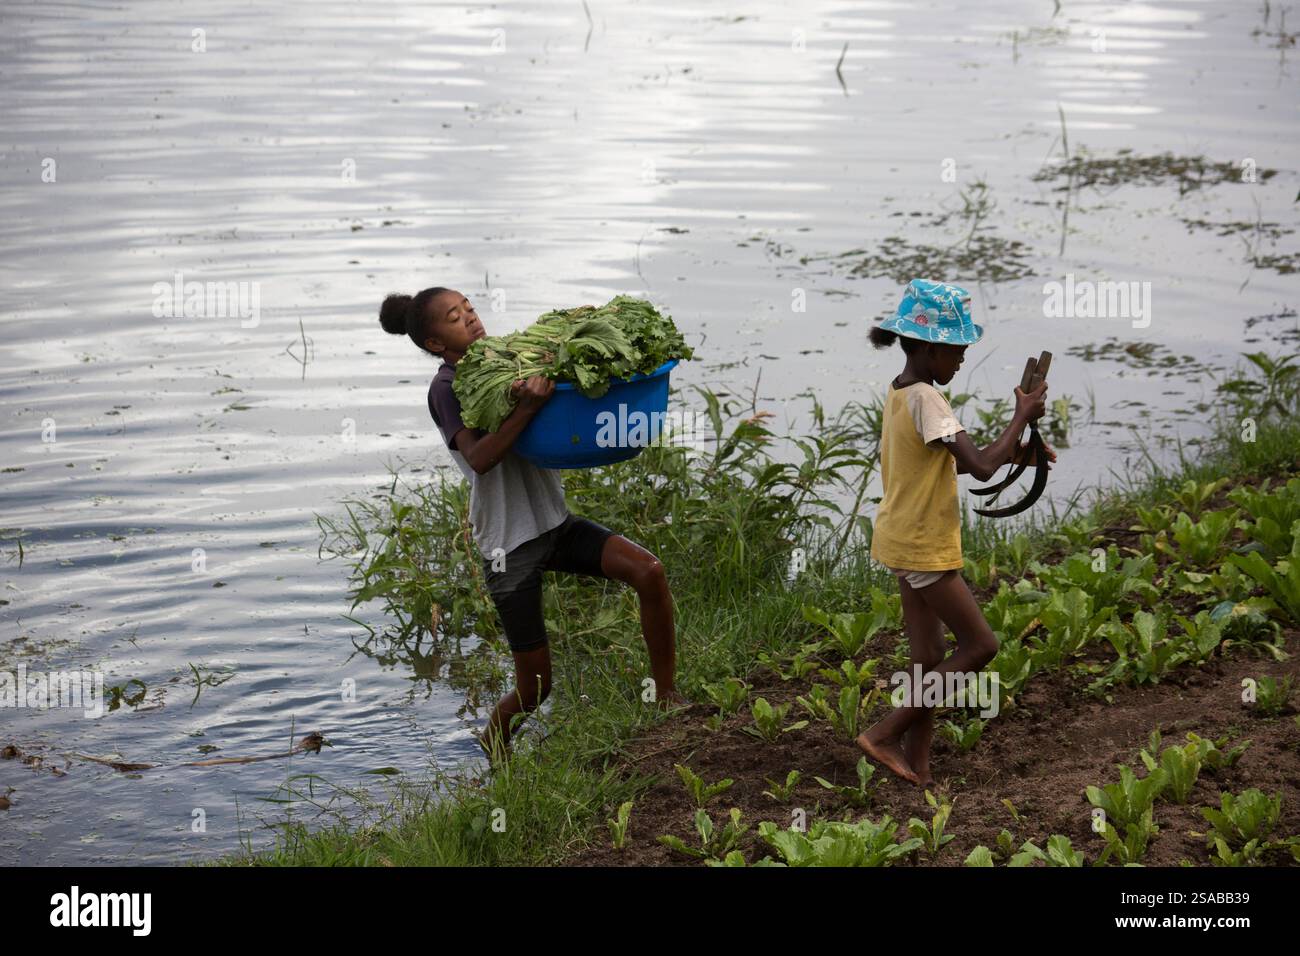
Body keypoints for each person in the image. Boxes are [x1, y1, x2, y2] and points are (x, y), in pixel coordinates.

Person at [379, 285, 685, 760]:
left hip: (554, 525)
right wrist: (525, 408)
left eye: (471, 309)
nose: (471, 319)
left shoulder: (504, 360)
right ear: (435, 343)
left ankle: (666, 699)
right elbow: (481, 458)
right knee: (536, 687)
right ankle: (493, 757)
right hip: (509, 547)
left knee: (649, 571)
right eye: (455, 317)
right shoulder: (445, 388)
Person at [857, 278, 1055, 788]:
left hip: (901, 538)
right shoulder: (929, 399)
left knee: (927, 658)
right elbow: (983, 469)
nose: (963, 358)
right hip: (923, 548)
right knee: (980, 646)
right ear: (928, 348)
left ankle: (918, 766)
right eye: (957, 350)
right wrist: (1021, 417)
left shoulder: (903, 392)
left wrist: (1020, 449)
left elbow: (959, 465)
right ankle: (883, 733)